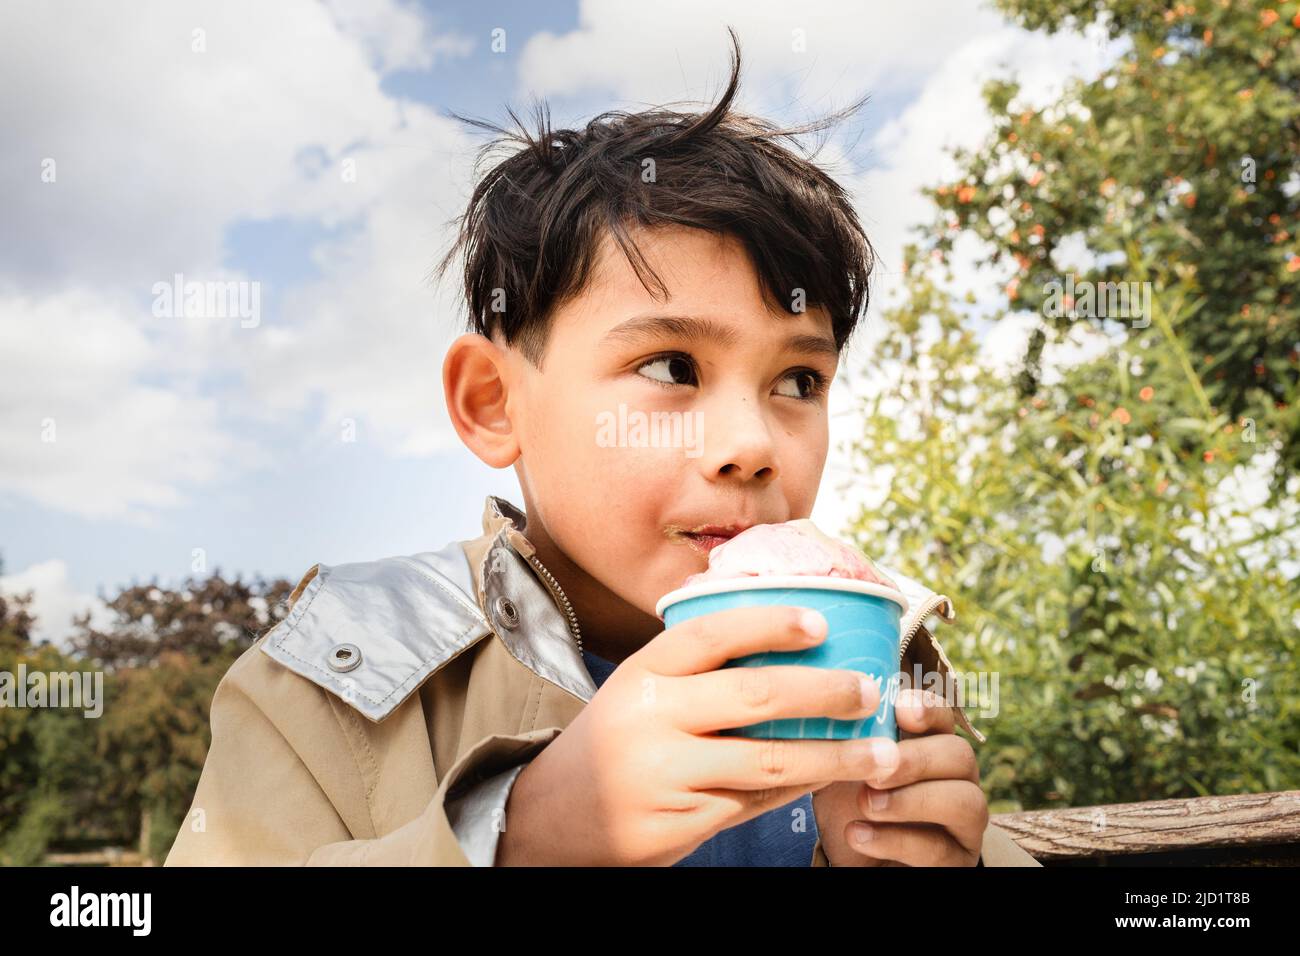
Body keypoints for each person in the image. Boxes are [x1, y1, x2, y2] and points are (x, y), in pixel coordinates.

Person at [164, 29, 1040, 868]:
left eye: (799, 382)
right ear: (493, 402)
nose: (751, 445)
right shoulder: (334, 680)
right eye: (670, 366)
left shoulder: (883, 666)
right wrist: (520, 839)